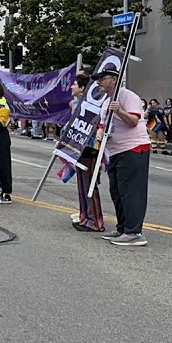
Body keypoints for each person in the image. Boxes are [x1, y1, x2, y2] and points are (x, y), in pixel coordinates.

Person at [94, 69, 151, 246]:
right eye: (98, 80)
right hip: (115, 150)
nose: (99, 83)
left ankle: (134, 231)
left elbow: (133, 122)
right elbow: (104, 122)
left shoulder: (127, 96)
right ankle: (123, 227)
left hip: (133, 148)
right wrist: (100, 131)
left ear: (113, 79)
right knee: (117, 191)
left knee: (131, 191)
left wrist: (119, 111)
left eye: (102, 79)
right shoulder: (107, 101)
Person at [66, 71, 105, 233]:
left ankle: (96, 221)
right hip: (79, 148)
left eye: (75, 84)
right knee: (83, 185)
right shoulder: (77, 104)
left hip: (90, 148)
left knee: (90, 185)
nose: (71, 86)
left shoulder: (90, 105)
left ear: (82, 88)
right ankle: (85, 217)